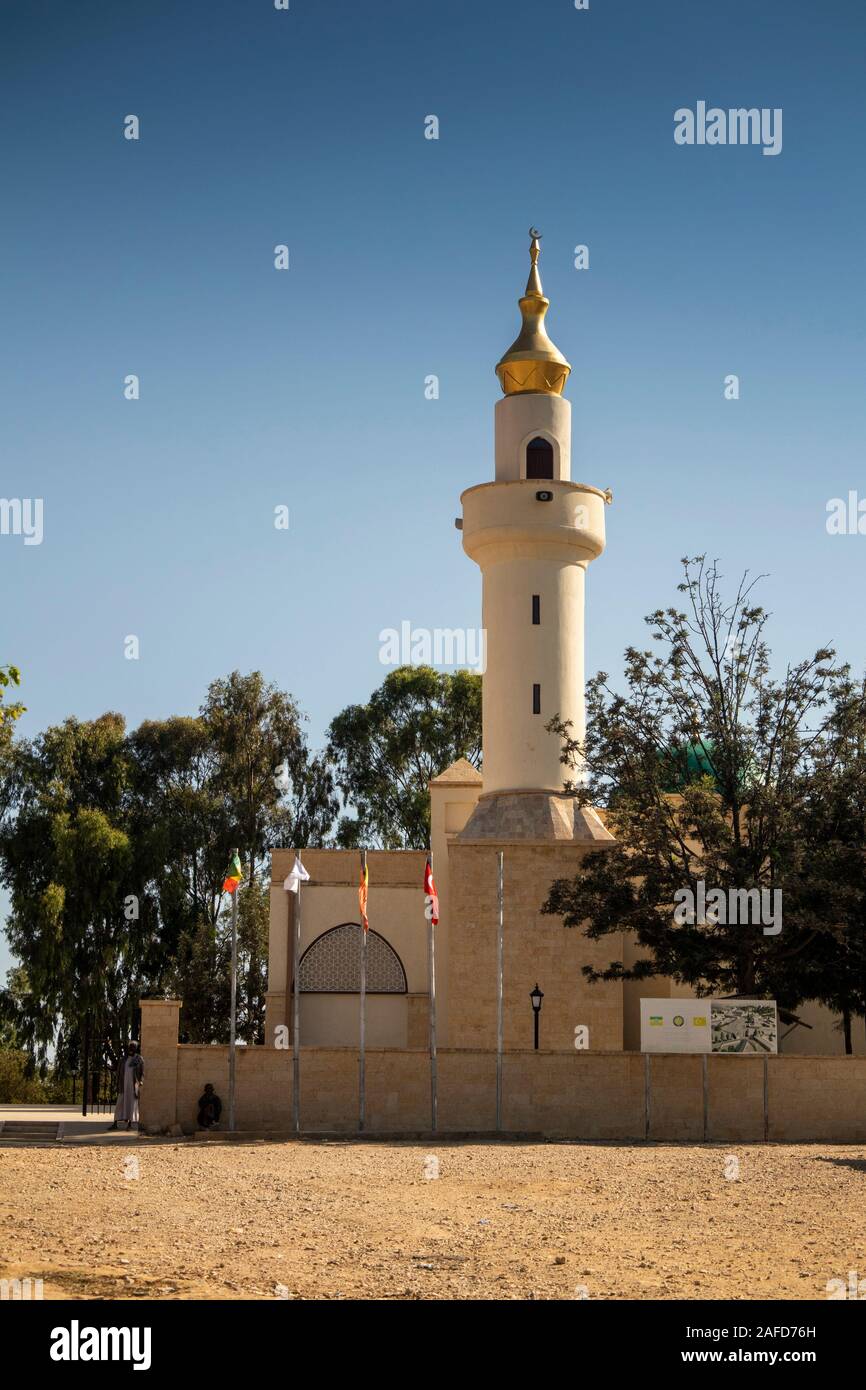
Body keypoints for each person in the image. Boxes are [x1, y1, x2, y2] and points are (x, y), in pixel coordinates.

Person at [109, 1041, 144, 1130]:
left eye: (133, 1047)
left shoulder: (139, 1059)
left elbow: (142, 1073)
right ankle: (115, 1123)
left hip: (133, 1086)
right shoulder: (123, 1059)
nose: (131, 1049)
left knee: (131, 1105)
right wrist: (117, 1083)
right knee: (119, 1104)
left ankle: (129, 1124)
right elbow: (119, 1072)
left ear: (136, 1049)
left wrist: (141, 1081)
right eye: (130, 1047)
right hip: (123, 1085)